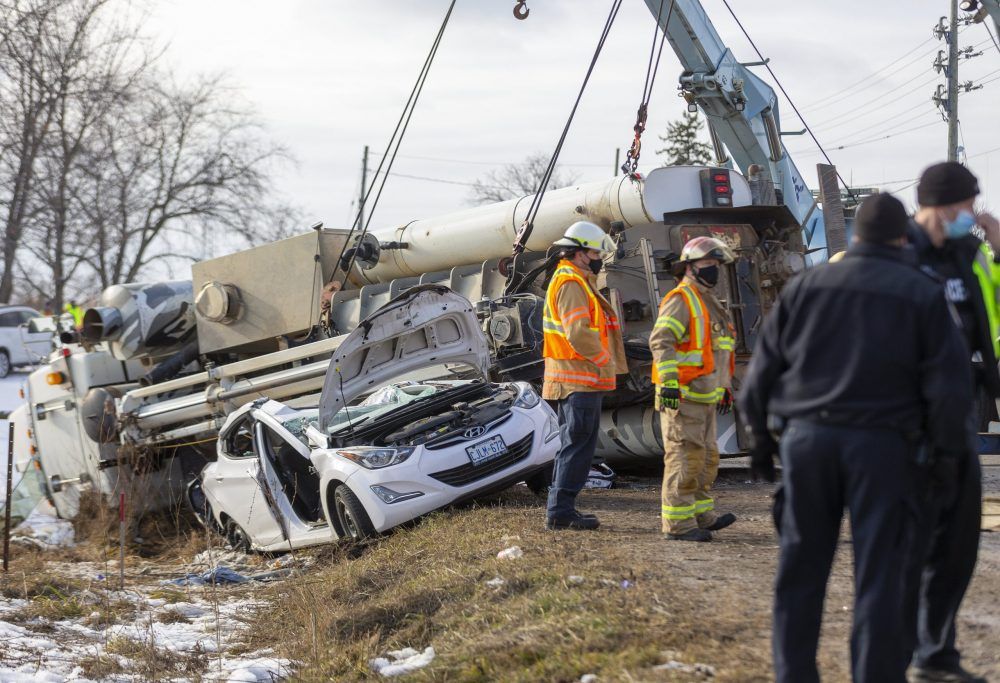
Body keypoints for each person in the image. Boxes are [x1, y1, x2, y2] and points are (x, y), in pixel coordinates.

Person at [739, 193, 974, 683]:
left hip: (808, 445)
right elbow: (948, 388)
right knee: (881, 576)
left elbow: (762, 371)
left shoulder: (806, 286)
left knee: (801, 569)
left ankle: (794, 675)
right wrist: (947, 458)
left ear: (858, 236)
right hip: (884, 450)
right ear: (899, 237)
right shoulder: (921, 292)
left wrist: (760, 438)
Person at [906, 161, 999, 683]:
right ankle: (898, 650)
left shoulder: (969, 256)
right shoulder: (899, 255)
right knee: (915, 541)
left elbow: (995, 314)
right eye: (968, 204)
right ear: (942, 204)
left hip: (960, 415)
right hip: (910, 422)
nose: (975, 213)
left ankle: (935, 653)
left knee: (959, 545)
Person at [649, 236, 738, 542]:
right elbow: (662, 342)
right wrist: (670, 383)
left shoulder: (707, 300)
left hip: (706, 396)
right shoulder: (681, 299)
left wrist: (724, 386)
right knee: (684, 459)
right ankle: (678, 525)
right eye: (708, 264)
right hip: (683, 395)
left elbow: (718, 349)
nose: (714, 270)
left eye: (716, 265)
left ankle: (701, 515)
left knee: (706, 459)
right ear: (690, 266)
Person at [542, 221, 626, 530]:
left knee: (577, 446)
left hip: (580, 380)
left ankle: (562, 510)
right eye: (594, 252)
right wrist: (604, 360)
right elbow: (578, 333)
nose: (597, 257)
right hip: (578, 379)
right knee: (576, 446)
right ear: (578, 253)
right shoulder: (571, 283)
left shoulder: (576, 279)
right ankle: (560, 512)